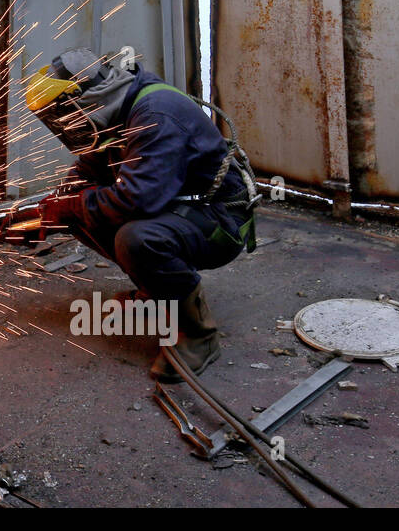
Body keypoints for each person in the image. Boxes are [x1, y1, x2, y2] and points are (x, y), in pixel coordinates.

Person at [25, 47, 258, 382]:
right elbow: (90, 167)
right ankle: (155, 292)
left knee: (138, 239)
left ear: (84, 98)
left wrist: (69, 206)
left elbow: (136, 201)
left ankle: (198, 336)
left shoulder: (154, 115)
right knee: (76, 207)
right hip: (179, 205)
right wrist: (50, 207)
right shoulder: (116, 106)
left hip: (219, 222)